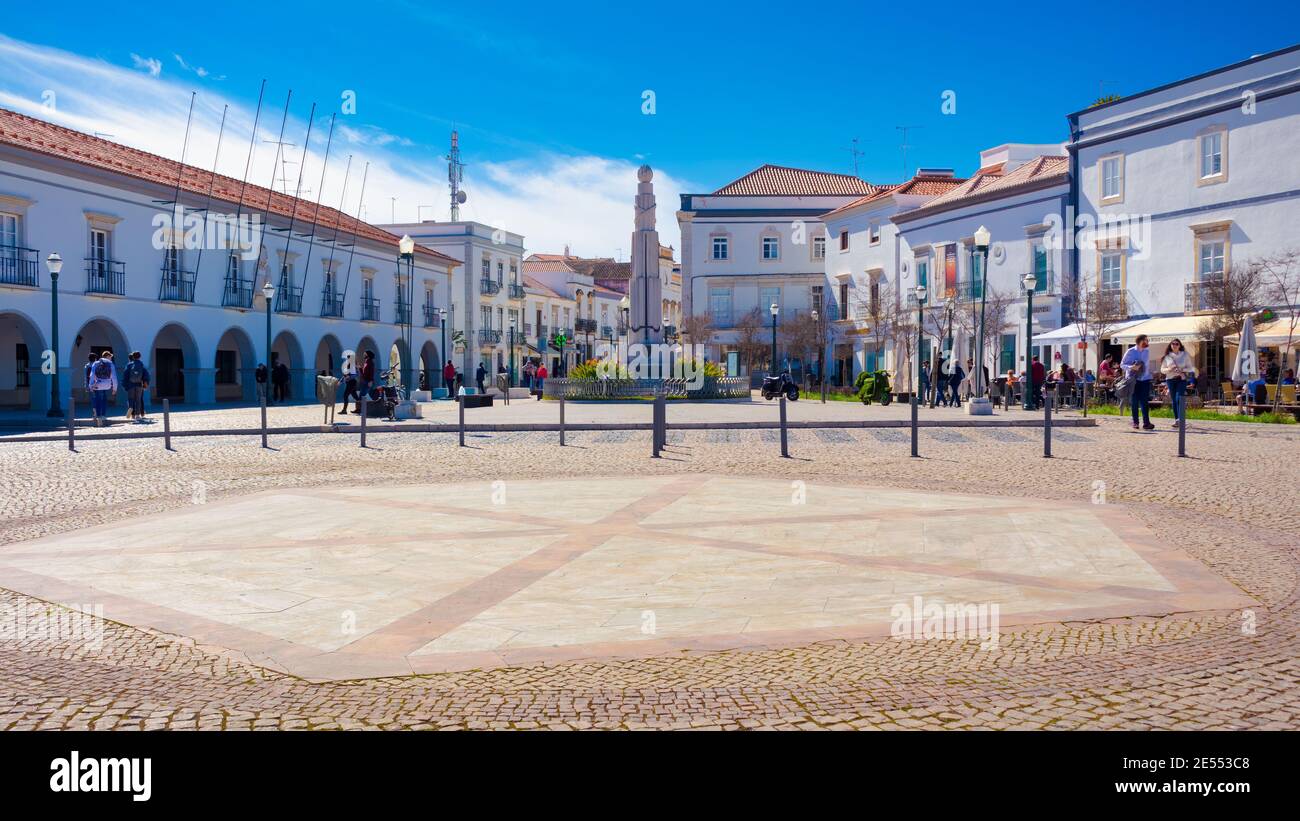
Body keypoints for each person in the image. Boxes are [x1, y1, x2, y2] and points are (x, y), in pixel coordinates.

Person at [1159, 338, 1196, 427]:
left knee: (1179, 398)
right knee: (1174, 401)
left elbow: (1190, 368)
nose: (1174, 345)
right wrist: (1169, 369)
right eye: (1173, 344)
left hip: (1181, 379)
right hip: (1170, 380)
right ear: (1170, 345)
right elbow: (1162, 370)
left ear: (1180, 345)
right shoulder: (1167, 357)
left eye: (1176, 344)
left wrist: (1182, 369)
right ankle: (1177, 420)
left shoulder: (1184, 355)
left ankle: (1181, 419)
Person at [1120, 333, 1154, 430]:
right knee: (1134, 401)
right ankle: (1135, 422)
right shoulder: (1130, 351)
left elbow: (1147, 366)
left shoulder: (1147, 352)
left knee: (1144, 402)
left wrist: (1151, 374)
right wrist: (1131, 367)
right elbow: (1122, 365)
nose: (1147, 342)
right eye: (1146, 340)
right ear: (1140, 341)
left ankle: (1146, 423)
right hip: (1133, 380)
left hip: (1145, 379)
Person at [86, 351, 117, 427]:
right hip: (107, 384)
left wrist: (90, 386)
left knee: (98, 400)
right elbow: (114, 377)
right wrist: (114, 388)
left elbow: (92, 375)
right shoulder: (110, 363)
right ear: (107, 356)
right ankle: (103, 415)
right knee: (104, 399)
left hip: (98, 384)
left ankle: (99, 416)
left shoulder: (96, 363)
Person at [121, 351, 150, 422]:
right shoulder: (141, 364)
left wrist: (124, 385)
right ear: (140, 357)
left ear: (133, 357)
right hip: (139, 385)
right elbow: (146, 375)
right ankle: (137, 415)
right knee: (138, 400)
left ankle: (131, 408)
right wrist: (145, 383)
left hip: (131, 384)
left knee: (131, 398)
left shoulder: (129, 365)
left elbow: (125, 375)